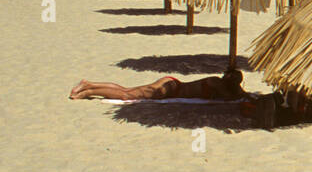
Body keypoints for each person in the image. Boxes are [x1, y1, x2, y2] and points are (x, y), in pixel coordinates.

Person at [70, 69, 247, 101]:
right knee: (126, 95)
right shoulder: (218, 83)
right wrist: (239, 90)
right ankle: (87, 91)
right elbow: (231, 97)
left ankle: (89, 85)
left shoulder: (218, 81)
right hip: (171, 90)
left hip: (172, 84)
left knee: (127, 90)